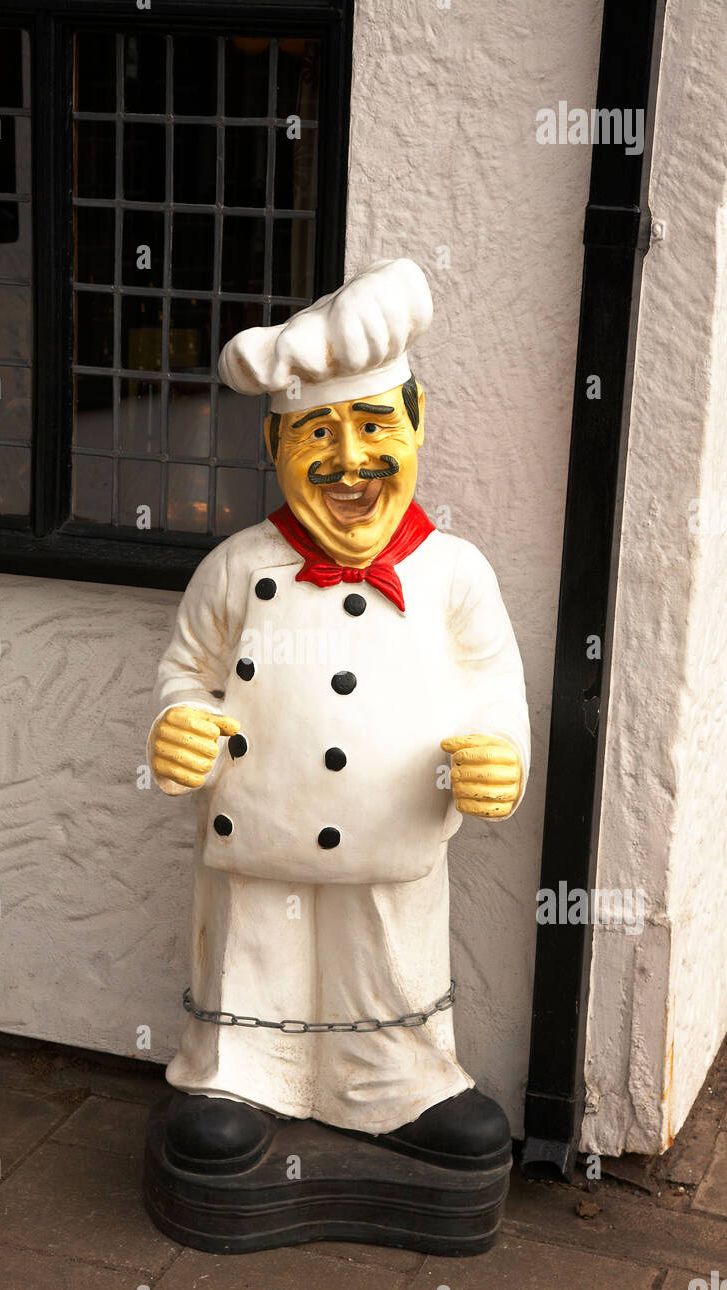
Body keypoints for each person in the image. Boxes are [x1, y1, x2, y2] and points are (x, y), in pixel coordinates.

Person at [148, 258, 530, 1179]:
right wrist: (178, 723)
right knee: (257, 940)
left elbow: (493, 688)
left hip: (393, 830)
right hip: (259, 822)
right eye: (317, 431)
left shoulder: (455, 575)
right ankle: (241, 1073)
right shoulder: (236, 567)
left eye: (371, 427)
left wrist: (499, 758)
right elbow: (187, 672)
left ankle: (398, 1080)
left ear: (417, 425)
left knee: (382, 948)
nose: (349, 461)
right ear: (276, 446)